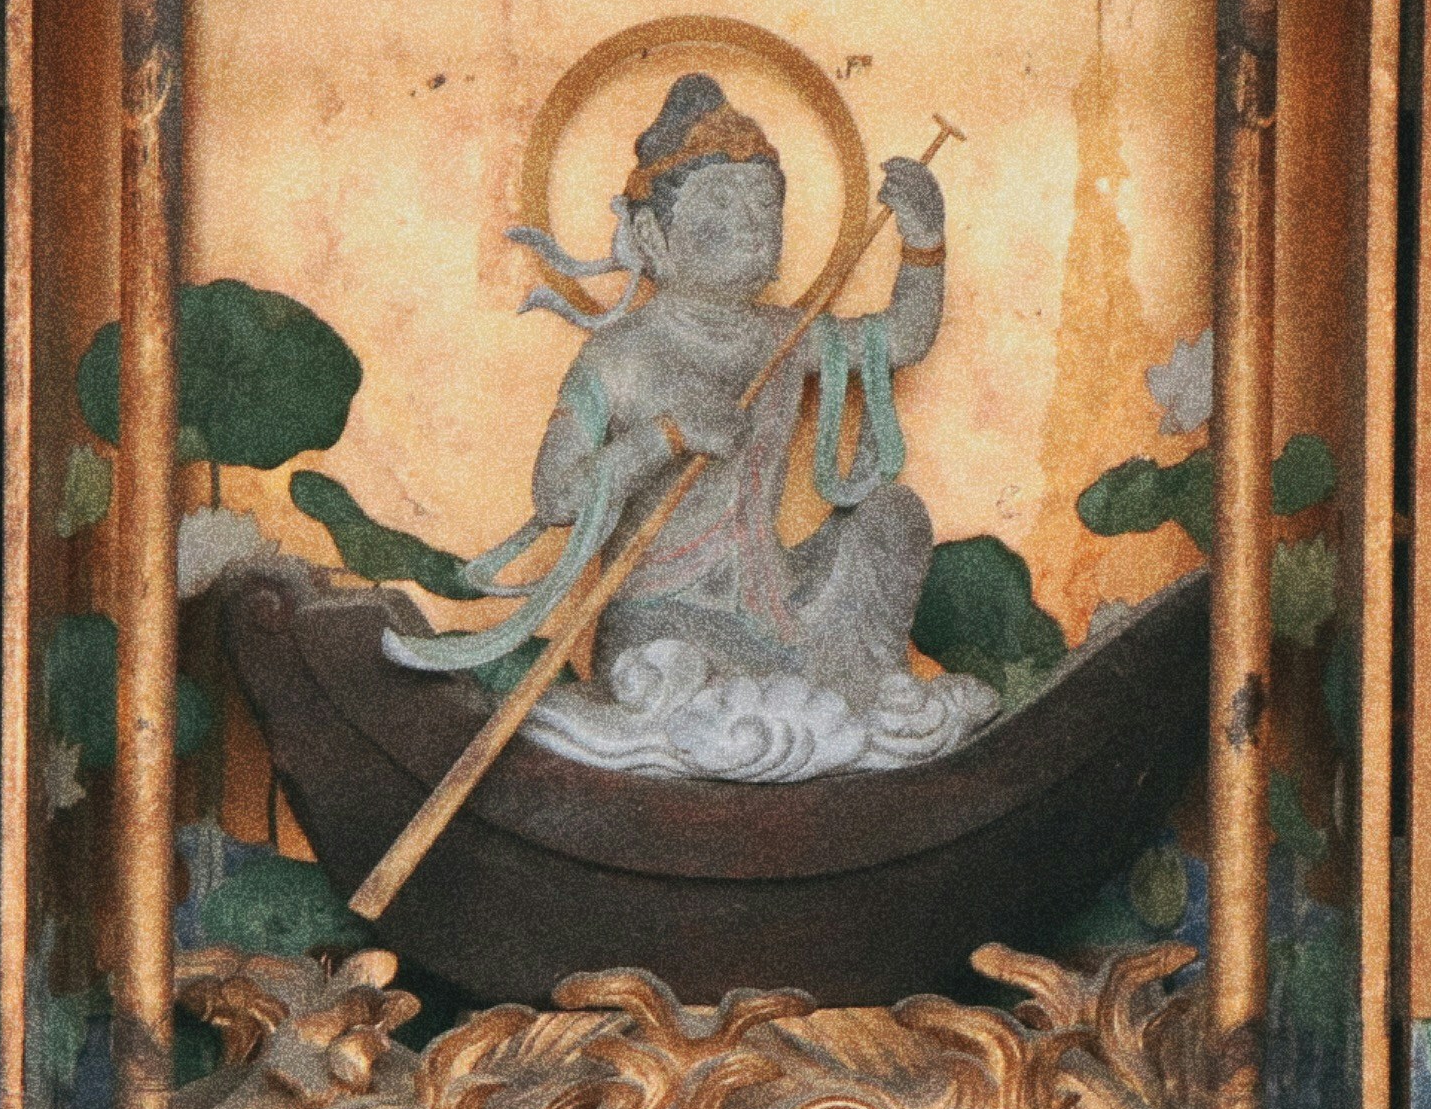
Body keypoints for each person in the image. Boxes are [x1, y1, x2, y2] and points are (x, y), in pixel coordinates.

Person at [388, 72, 990, 774]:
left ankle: (872, 696)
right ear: (652, 234)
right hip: (666, 616)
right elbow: (556, 496)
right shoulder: (620, 359)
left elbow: (901, 340)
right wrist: (663, 438)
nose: (752, 220)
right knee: (677, 681)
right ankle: (811, 710)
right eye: (721, 201)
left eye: (767, 202)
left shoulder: (781, 338)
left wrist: (924, 245)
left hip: (778, 604)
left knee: (892, 517)